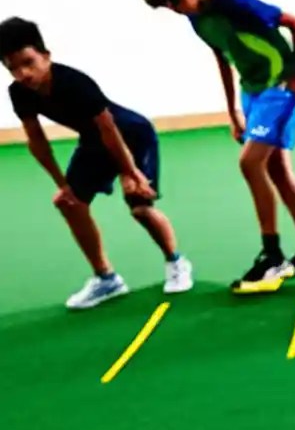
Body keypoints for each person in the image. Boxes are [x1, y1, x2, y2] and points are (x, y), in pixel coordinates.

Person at [133, 0, 295, 294]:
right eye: (167, 6)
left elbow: (294, 23)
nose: (175, 10)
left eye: (175, 1)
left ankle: (273, 256)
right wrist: (233, 110)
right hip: (253, 90)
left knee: (250, 163)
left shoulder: (234, 2)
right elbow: (222, 56)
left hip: (279, 87)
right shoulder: (196, 18)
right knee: (275, 168)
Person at [1, 17, 194, 309]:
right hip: (94, 141)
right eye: (12, 68)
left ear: (46, 55)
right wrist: (63, 185)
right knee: (69, 203)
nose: (23, 73)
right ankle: (106, 279)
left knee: (140, 205)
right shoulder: (19, 93)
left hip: (131, 135)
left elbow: (110, 129)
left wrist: (130, 173)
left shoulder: (74, 83)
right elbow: (37, 141)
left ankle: (176, 262)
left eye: (28, 62)